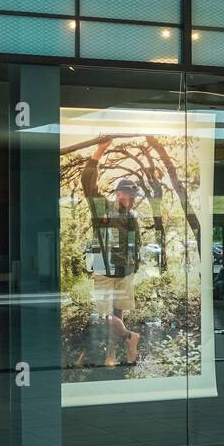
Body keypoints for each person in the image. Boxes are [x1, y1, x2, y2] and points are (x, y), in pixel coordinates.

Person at [82, 142, 142, 366]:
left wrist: (134, 266)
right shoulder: (103, 208)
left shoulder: (132, 218)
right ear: (118, 193)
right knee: (105, 316)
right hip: (103, 270)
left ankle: (112, 355)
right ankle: (130, 337)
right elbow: (87, 183)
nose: (133, 199)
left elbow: (136, 245)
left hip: (124, 273)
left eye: (134, 195)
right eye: (130, 194)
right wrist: (99, 151)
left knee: (118, 314)